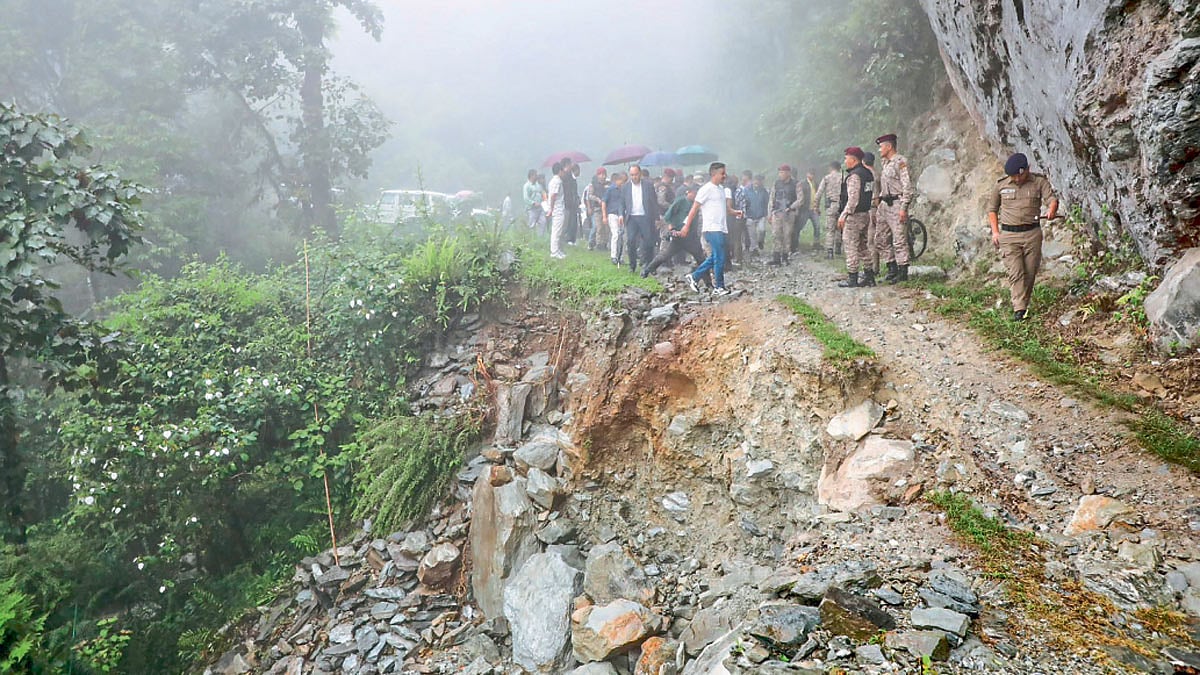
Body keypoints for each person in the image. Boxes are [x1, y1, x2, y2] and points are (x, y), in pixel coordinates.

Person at [988, 152, 1058, 321]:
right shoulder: (1001, 186)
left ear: (1027, 169)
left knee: (1030, 271)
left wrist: (1051, 210)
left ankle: (1022, 303)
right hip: (1009, 236)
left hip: (1032, 234)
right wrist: (995, 231)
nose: (1017, 179)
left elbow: (1052, 200)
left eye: (1020, 175)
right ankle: (1019, 310)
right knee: (1016, 272)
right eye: (1013, 176)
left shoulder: (1039, 182)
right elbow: (992, 209)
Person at [679, 162, 743, 296]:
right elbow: (694, 208)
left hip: (721, 227)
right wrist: (686, 225)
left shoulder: (720, 189)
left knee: (717, 256)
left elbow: (724, 208)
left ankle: (695, 276)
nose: (725, 176)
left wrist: (735, 212)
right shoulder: (705, 189)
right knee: (720, 256)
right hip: (711, 228)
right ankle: (719, 286)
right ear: (714, 174)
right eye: (722, 173)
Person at [642, 185, 710, 286]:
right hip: (679, 236)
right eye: (695, 194)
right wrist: (671, 227)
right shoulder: (681, 201)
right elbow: (669, 215)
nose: (696, 196)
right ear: (689, 192)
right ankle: (647, 270)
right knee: (665, 255)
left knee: (701, 259)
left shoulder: (696, 204)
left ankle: (708, 283)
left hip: (691, 238)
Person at [875, 133, 915, 283]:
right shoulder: (885, 163)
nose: (879, 150)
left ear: (889, 146)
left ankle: (902, 270)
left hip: (897, 203)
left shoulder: (900, 162)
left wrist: (904, 207)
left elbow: (907, 186)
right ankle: (891, 267)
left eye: (881, 147)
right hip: (884, 204)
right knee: (880, 238)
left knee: (899, 239)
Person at [837, 147, 875, 287]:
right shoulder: (868, 173)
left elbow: (853, 199)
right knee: (863, 246)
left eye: (846, 158)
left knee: (851, 246)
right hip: (865, 214)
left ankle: (852, 278)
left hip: (854, 216)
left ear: (853, 159)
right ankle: (869, 276)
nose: (845, 161)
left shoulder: (855, 176)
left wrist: (844, 215)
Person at [620, 164, 660, 273]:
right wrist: (620, 215)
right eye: (632, 175)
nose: (634, 177)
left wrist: (657, 217)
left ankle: (649, 265)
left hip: (645, 217)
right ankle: (632, 265)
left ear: (640, 174)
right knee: (631, 241)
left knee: (648, 241)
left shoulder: (648, 185)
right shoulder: (625, 187)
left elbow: (654, 202)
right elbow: (622, 203)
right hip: (632, 217)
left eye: (636, 174)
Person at [768, 164, 800, 265]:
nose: (780, 174)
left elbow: (800, 199)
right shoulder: (776, 183)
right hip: (777, 212)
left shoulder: (796, 184)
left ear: (788, 173)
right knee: (776, 234)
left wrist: (791, 207)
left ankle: (785, 256)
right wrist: (769, 213)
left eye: (782, 172)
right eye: (780, 172)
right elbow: (771, 198)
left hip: (789, 213)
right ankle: (776, 257)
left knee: (787, 235)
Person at [813, 162, 844, 259]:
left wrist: (816, 207)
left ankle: (830, 251)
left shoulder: (827, 178)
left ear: (831, 168)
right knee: (840, 227)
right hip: (842, 205)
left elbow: (818, 194)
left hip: (831, 205)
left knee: (830, 229)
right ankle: (838, 247)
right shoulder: (844, 177)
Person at [862, 151, 881, 276]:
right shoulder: (877, 174)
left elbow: (874, 196)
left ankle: (873, 268)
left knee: (870, 240)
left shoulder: (869, 175)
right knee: (872, 239)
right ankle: (874, 267)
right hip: (875, 208)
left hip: (872, 208)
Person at [602, 171, 627, 265]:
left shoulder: (624, 190)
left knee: (624, 237)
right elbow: (604, 202)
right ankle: (613, 256)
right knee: (615, 234)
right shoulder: (610, 189)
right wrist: (604, 216)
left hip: (622, 215)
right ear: (618, 180)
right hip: (612, 214)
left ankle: (621, 257)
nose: (624, 183)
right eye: (623, 181)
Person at [546, 160, 568, 259]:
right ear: (559, 171)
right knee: (556, 231)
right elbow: (553, 196)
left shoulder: (553, 181)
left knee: (557, 231)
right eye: (563, 171)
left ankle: (557, 249)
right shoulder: (557, 181)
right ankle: (554, 252)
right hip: (558, 209)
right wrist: (551, 209)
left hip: (557, 208)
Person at [745, 174, 770, 253]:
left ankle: (761, 241)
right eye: (755, 180)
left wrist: (767, 214)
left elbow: (767, 202)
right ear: (753, 181)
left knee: (762, 230)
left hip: (761, 215)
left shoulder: (764, 191)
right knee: (752, 234)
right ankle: (754, 249)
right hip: (750, 215)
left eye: (759, 181)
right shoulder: (746, 190)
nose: (757, 182)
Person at [584, 168, 607, 250]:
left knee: (605, 227)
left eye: (604, 174)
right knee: (597, 227)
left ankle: (604, 243)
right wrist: (597, 199)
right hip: (596, 208)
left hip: (605, 208)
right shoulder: (592, 185)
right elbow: (589, 196)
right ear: (598, 175)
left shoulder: (606, 184)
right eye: (601, 174)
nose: (603, 176)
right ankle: (597, 243)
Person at [563, 160, 581, 245]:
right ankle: (568, 239)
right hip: (570, 204)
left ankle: (572, 239)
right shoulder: (568, 178)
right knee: (570, 222)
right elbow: (569, 192)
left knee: (574, 221)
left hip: (574, 204)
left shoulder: (573, 179)